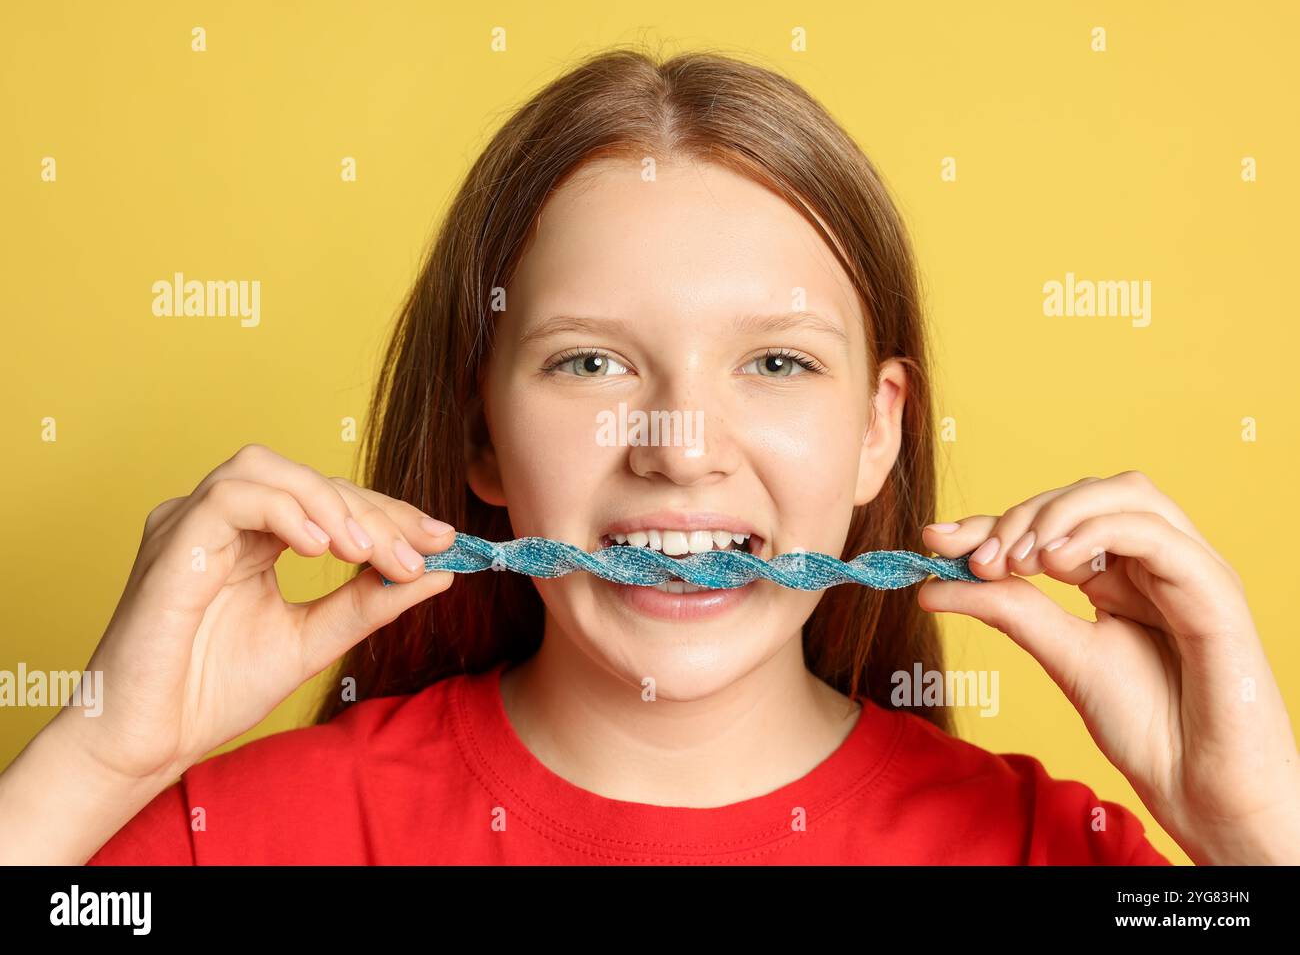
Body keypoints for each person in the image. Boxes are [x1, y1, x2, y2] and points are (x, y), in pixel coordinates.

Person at [3, 47, 1296, 865]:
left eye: (778, 362)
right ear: (481, 438)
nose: (682, 451)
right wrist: (100, 761)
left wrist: (1256, 838)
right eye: (591, 362)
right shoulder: (237, 842)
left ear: (878, 430)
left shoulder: (1040, 853)